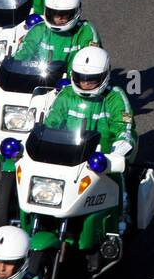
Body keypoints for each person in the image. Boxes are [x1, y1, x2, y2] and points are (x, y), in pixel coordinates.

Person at [44, 48, 139, 223]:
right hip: (69, 152)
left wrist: (119, 149)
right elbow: (50, 123)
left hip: (102, 157)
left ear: (104, 76)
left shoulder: (114, 97)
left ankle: (121, 217)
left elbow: (124, 128)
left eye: (91, 80)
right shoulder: (66, 95)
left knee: (116, 174)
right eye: (80, 78)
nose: (85, 83)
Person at [13, 0, 100, 69]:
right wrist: (12, 63)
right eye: (54, 14)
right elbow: (23, 53)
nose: (59, 18)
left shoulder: (86, 31)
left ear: (76, 11)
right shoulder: (38, 30)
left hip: (71, 81)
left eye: (64, 14)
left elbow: (91, 64)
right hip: (40, 78)